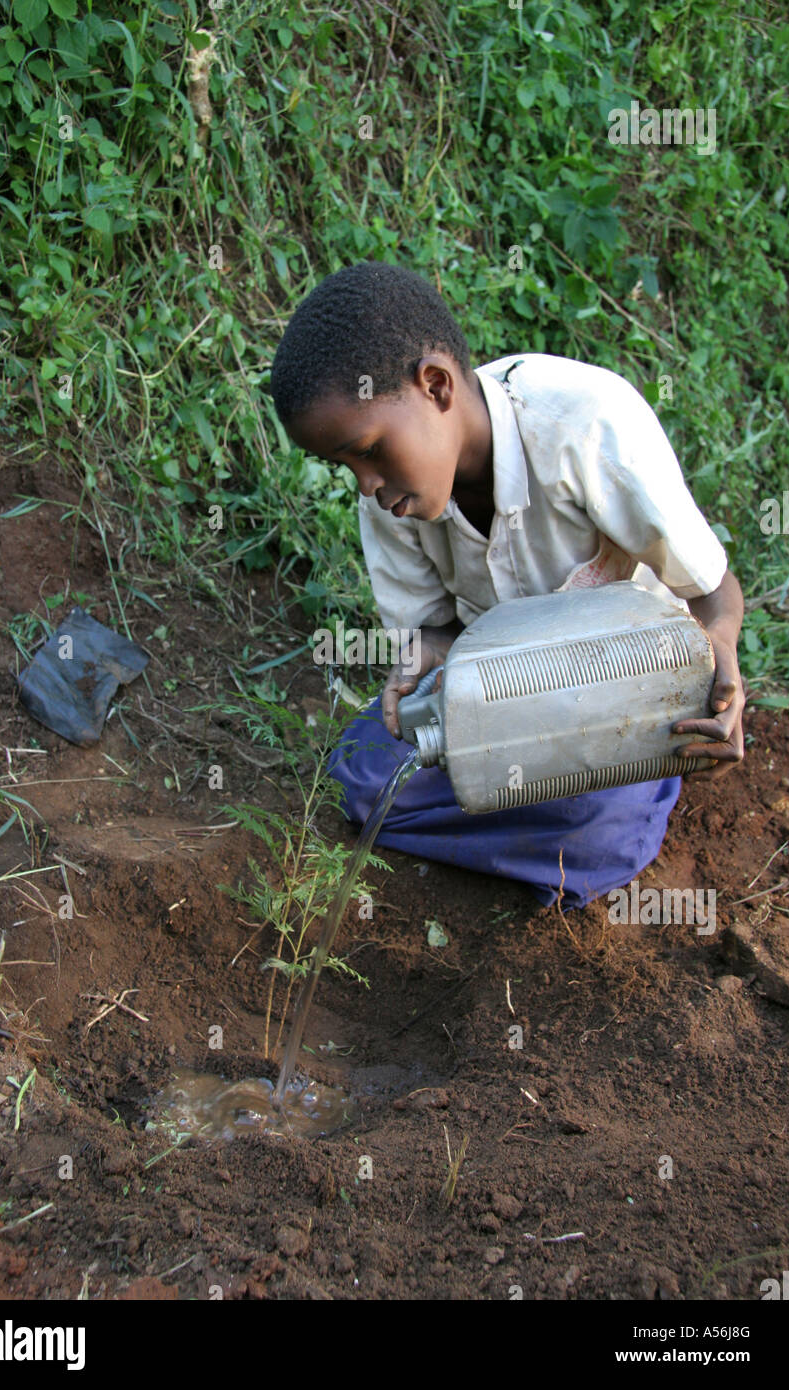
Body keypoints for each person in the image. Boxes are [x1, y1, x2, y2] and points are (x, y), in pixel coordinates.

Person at [269, 262, 745, 909]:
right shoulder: (391, 500)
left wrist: (720, 646)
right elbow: (437, 629)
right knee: (358, 775)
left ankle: (559, 828)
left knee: (599, 831)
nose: (366, 485)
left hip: (620, 692)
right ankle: (532, 840)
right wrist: (424, 657)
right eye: (343, 467)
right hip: (500, 689)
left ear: (435, 385)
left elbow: (713, 589)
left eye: (370, 449)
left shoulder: (585, 426)